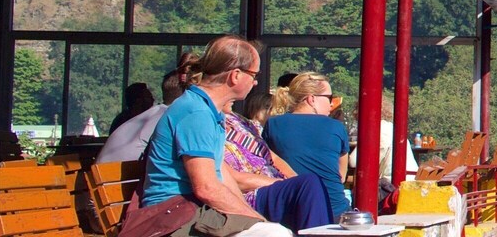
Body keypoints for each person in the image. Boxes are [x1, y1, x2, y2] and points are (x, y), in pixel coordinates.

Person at [135, 36, 290, 237]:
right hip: (174, 217)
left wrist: (254, 219)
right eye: (254, 75)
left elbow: (222, 178)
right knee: (274, 234)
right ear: (235, 75)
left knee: (273, 230)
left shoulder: (209, 112)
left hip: (194, 211)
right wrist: (258, 222)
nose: (255, 82)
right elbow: (206, 188)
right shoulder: (196, 113)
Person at [220, 97, 328, 231]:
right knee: (309, 184)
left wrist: (293, 180)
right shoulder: (204, 124)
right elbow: (234, 180)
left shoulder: (239, 121)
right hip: (247, 196)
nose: (254, 82)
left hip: (271, 185)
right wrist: (282, 183)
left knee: (313, 185)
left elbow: (273, 158)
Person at [264, 72, 351, 219]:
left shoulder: (273, 124)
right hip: (334, 209)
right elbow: (341, 176)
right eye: (329, 97)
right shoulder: (336, 127)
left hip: (291, 209)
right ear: (311, 99)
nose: (331, 103)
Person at [100, 55, 194, 163]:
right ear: (186, 95)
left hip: (110, 175)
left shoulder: (154, 114)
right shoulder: (169, 118)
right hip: (119, 178)